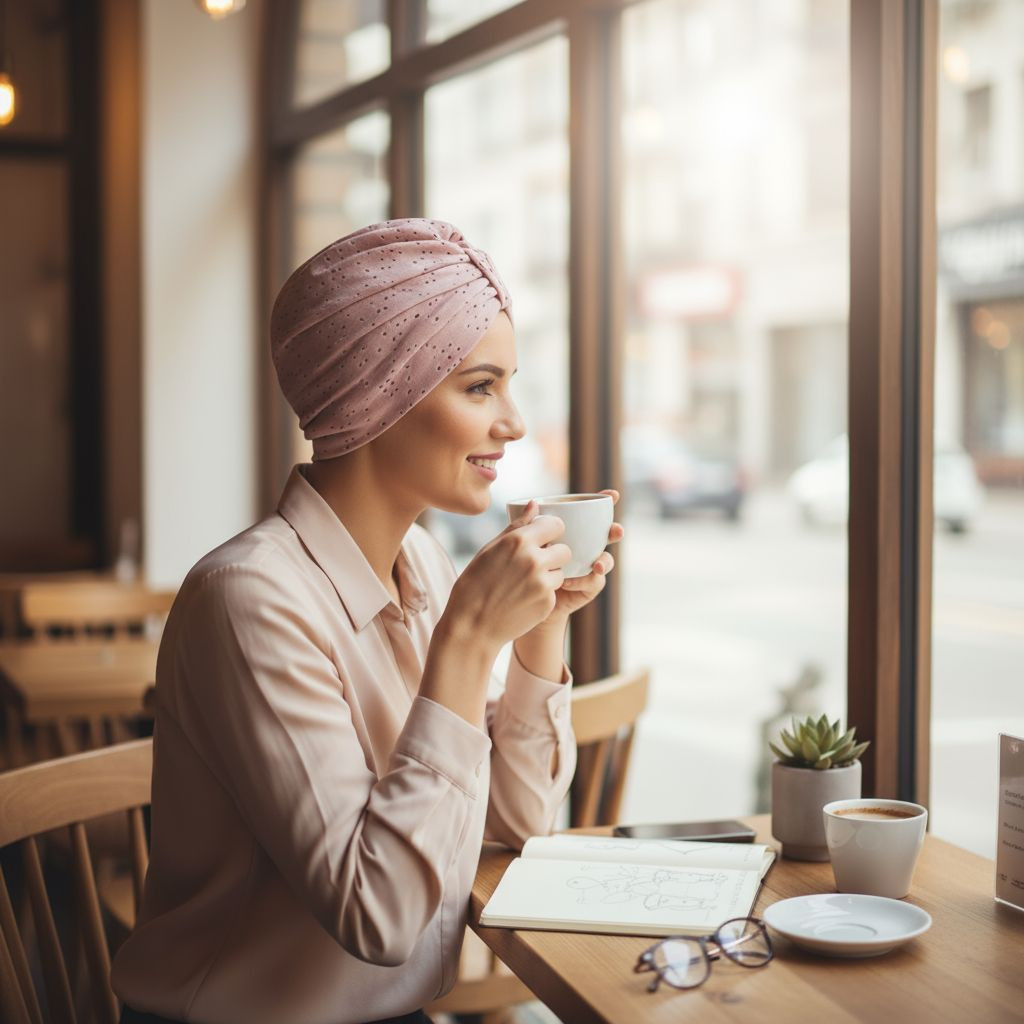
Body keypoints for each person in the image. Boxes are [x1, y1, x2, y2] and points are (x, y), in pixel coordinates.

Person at [112, 219, 622, 1024]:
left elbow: (518, 822)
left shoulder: (420, 562)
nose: (514, 422)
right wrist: (466, 639)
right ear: (380, 394)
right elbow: (378, 918)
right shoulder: (248, 600)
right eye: (481, 386)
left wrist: (537, 632)